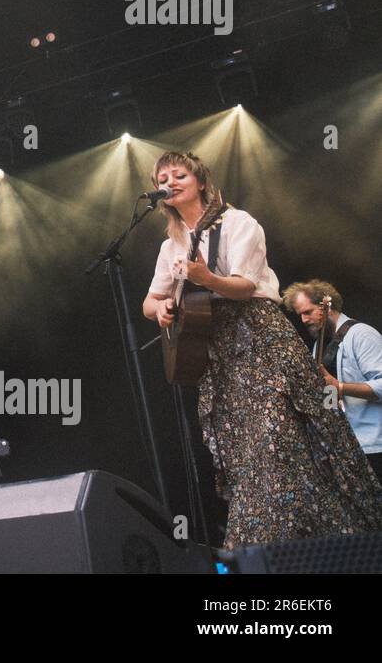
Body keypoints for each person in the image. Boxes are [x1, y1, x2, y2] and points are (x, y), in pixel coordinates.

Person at [141, 151, 382, 549]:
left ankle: (308, 544)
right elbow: (149, 302)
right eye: (163, 177)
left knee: (279, 440)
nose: (170, 181)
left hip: (262, 343)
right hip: (218, 360)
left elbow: (245, 287)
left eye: (179, 174)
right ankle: (276, 550)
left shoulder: (238, 223)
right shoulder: (171, 246)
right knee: (246, 454)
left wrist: (205, 277)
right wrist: (163, 309)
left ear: (200, 181)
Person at [283, 280, 382, 482]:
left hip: (375, 445)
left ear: (326, 306)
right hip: (347, 448)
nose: (303, 320)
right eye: (300, 314)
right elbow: (330, 397)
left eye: (308, 312)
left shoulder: (361, 334)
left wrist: (341, 387)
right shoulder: (319, 347)